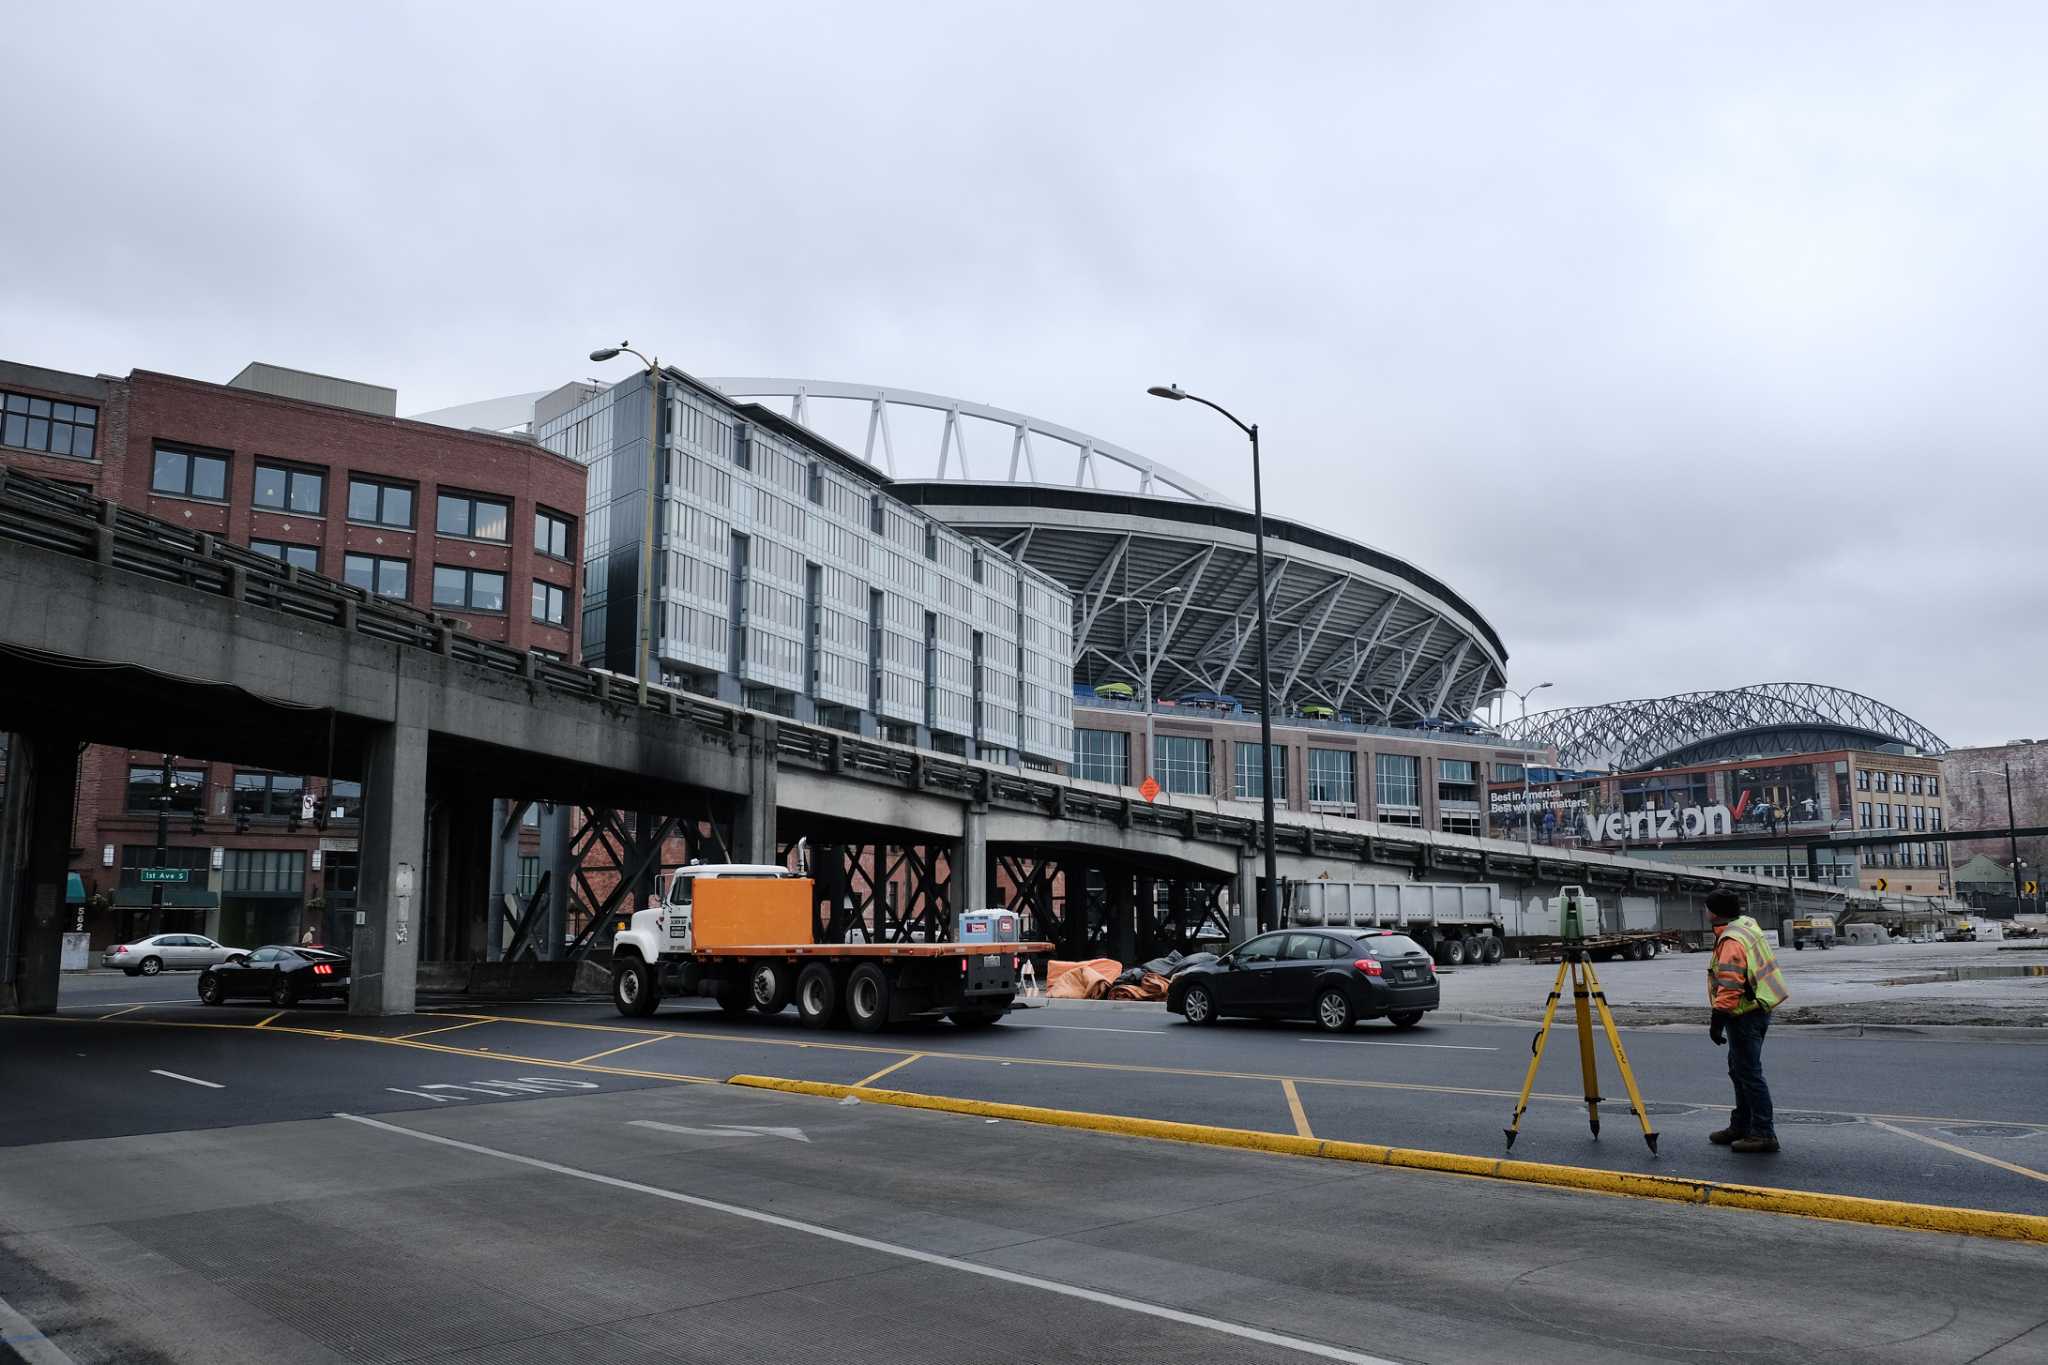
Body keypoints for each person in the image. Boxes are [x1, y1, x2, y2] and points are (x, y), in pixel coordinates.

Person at [1706, 891, 1790, 1153]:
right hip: (1757, 1008)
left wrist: (1716, 1021)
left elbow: (1730, 985)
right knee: (1740, 1070)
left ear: (1715, 912)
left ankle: (1764, 1133)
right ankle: (1742, 1125)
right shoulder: (1746, 925)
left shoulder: (1732, 940)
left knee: (1749, 1074)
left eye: (1707, 908)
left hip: (1745, 1013)